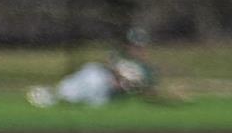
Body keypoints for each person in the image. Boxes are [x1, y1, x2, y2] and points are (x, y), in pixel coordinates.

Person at [27, 28, 171, 107]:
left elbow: (147, 90)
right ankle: (49, 96)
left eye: (139, 46)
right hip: (100, 77)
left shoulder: (146, 69)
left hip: (108, 93)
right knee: (82, 80)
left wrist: (134, 86)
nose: (136, 49)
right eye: (133, 45)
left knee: (84, 99)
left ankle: (53, 98)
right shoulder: (120, 55)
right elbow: (110, 66)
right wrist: (119, 77)